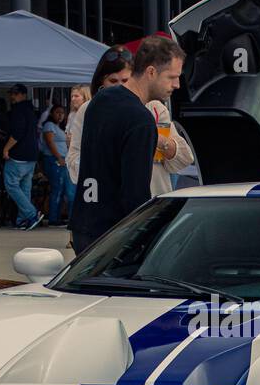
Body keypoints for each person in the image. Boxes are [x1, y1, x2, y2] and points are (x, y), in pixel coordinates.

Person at [70, 34, 183, 255]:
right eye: (171, 77)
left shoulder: (99, 102)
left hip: (85, 225)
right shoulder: (141, 120)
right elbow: (135, 195)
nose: (177, 85)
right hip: (115, 236)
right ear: (151, 72)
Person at [1, 84, 43, 230]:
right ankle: (22, 220)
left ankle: (31, 214)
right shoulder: (31, 110)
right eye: (12, 93)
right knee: (25, 188)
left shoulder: (18, 110)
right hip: (32, 155)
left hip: (18, 154)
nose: (12, 96)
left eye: (15, 94)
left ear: (23, 95)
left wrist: (6, 148)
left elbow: (17, 133)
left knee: (11, 185)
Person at [41, 103, 76, 226]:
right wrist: (58, 158)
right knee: (57, 189)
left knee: (65, 190)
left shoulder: (60, 127)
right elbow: (50, 142)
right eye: (57, 112)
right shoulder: (49, 125)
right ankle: (53, 218)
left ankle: (58, 216)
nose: (60, 115)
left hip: (64, 160)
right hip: (55, 160)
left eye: (62, 113)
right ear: (52, 113)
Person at [64, 81, 98, 187]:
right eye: (72, 96)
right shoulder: (72, 115)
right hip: (72, 157)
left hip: (86, 160)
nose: (73, 98)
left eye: (76, 96)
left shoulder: (91, 113)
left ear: (85, 97)